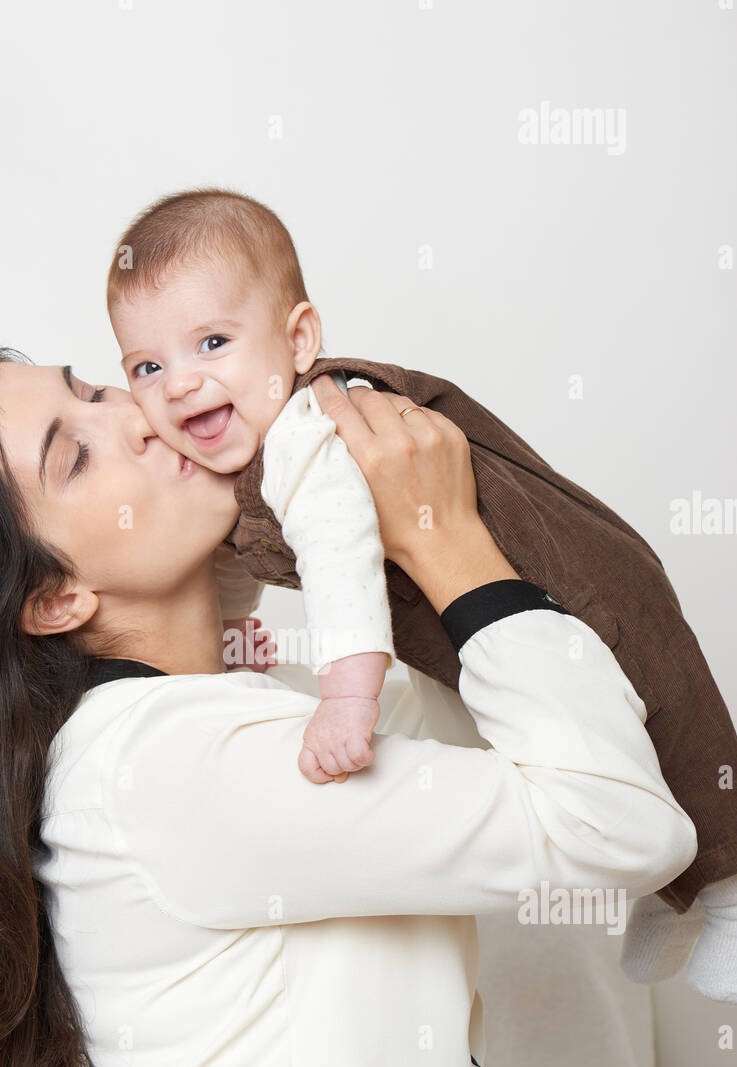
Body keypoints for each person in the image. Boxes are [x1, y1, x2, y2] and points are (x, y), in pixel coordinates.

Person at [0, 346, 695, 1067]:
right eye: (72, 455)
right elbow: (616, 824)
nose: (136, 415)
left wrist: (333, 528)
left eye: (92, 388)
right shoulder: (166, 766)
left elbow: (517, 739)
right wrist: (444, 539)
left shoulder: (256, 713)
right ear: (53, 596)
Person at [105, 188, 737, 1002]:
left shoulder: (306, 431)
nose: (181, 385)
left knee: (663, 701)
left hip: (565, 575)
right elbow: (231, 556)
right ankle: (672, 898)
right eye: (147, 368)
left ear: (298, 339)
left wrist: (345, 699)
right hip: (479, 617)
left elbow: (336, 564)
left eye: (213, 344)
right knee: (595, 731)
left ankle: (726, 892)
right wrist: (229, 630)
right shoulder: (226, 464)